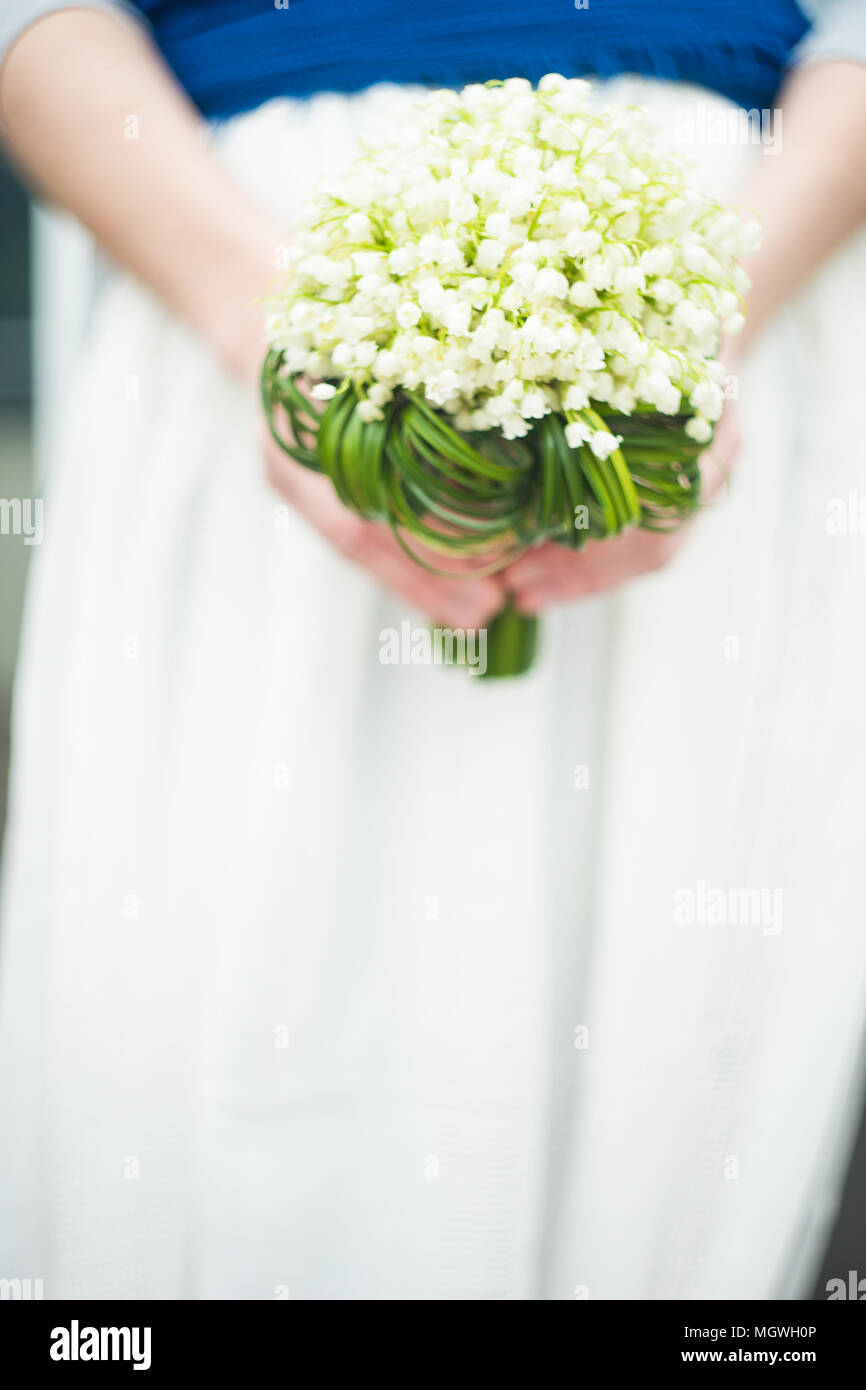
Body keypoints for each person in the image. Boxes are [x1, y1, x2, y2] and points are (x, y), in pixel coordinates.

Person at [1, 1, 865, 1300]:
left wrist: (688, 345)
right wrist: (283, 342)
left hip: (716, 296)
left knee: (664, 1062)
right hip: (229, 282)